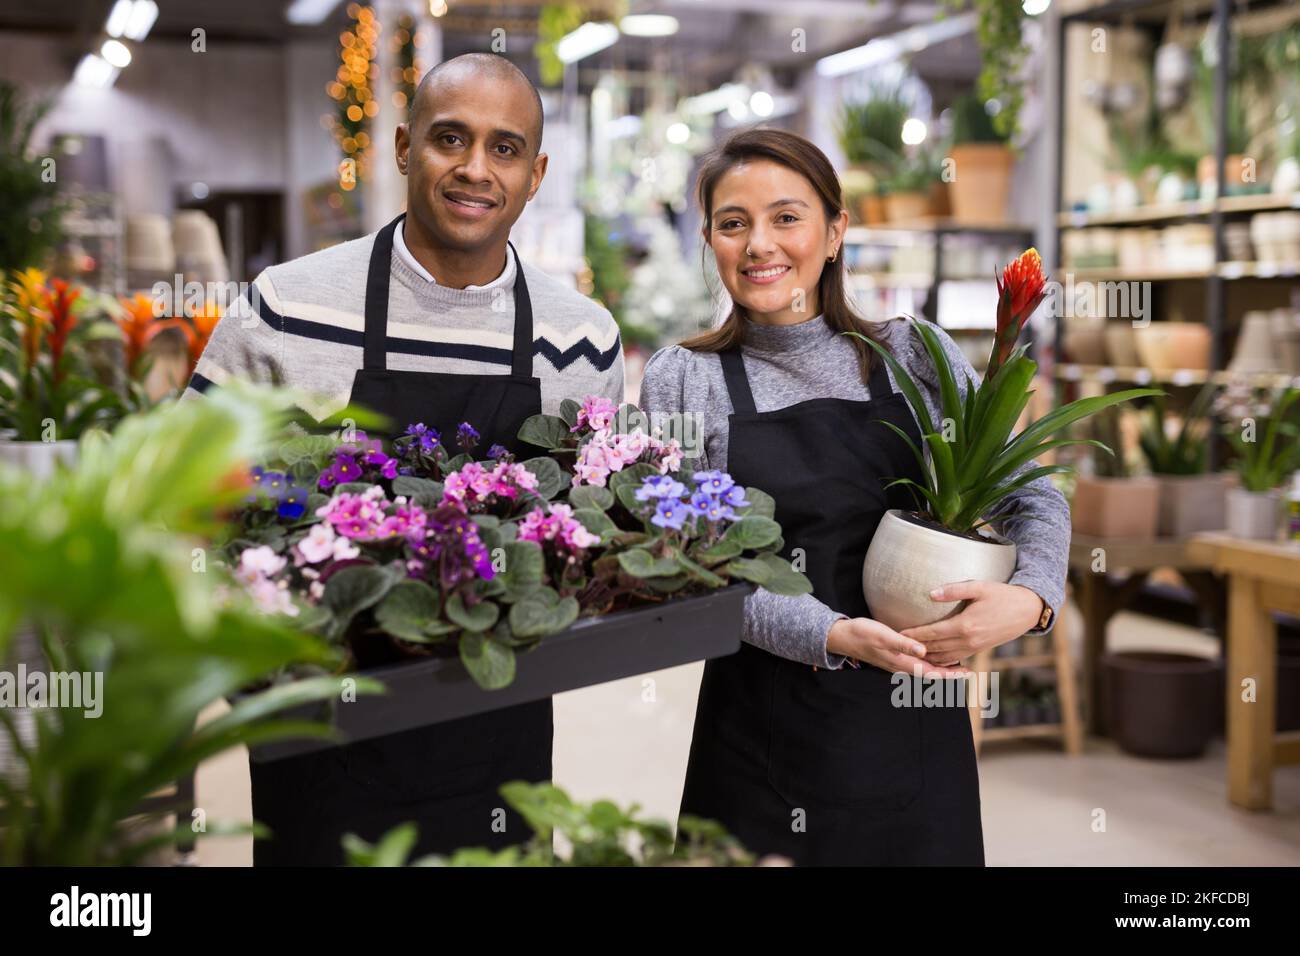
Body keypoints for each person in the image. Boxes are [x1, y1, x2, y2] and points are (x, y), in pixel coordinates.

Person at [184, 53, 624, 865]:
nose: (474, 169)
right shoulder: (289, 305)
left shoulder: (582, 336)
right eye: (449, 138)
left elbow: (595, 531)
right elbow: (185, 487)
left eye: (505, 148)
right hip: (320, 729)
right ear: (401, 146)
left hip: (501, 723)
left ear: (536, 173)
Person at [638, 129, 1068, 866]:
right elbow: (681, 569)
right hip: (757, 734)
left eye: (786, 217)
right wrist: (830, 634)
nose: (759, 245)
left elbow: (1034, 494)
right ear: (708, 239)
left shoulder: (912, 356)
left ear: (836, 231)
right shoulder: (685, 380)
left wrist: (1031, 599)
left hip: (916, 726)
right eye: (732, 223)